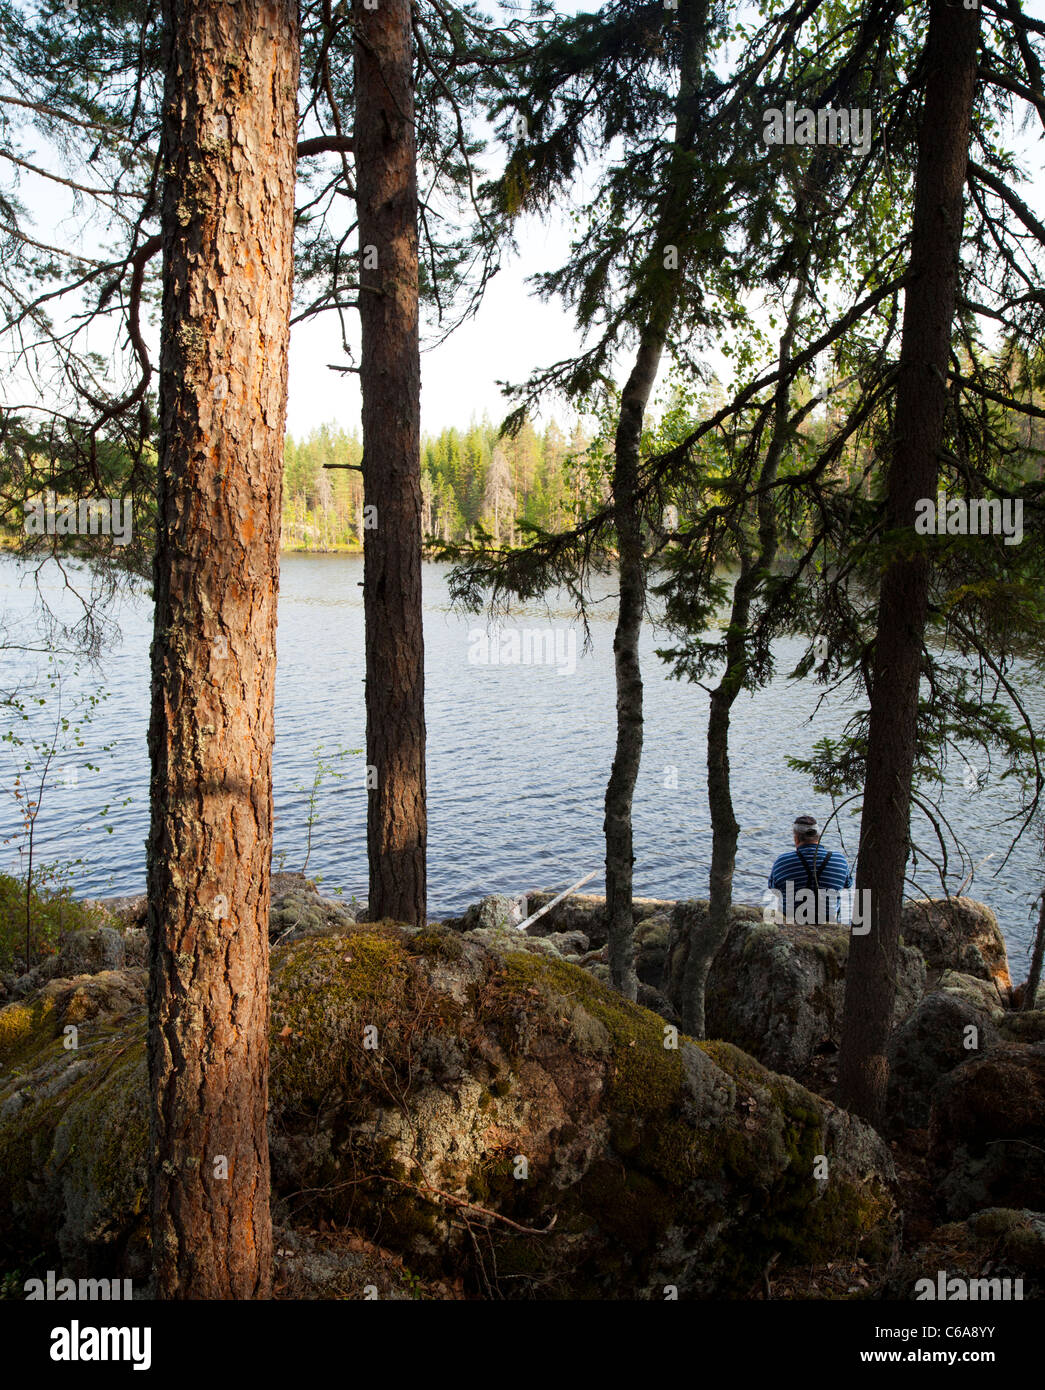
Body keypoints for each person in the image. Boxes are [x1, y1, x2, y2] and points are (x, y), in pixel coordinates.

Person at [767, 814, 853, 924]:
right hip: (827, 919)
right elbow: (848, 884)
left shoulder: (782, 861)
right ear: (818, 836)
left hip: (792, 919)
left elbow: (773, 888)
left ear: (796, 838)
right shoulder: (839, 860)